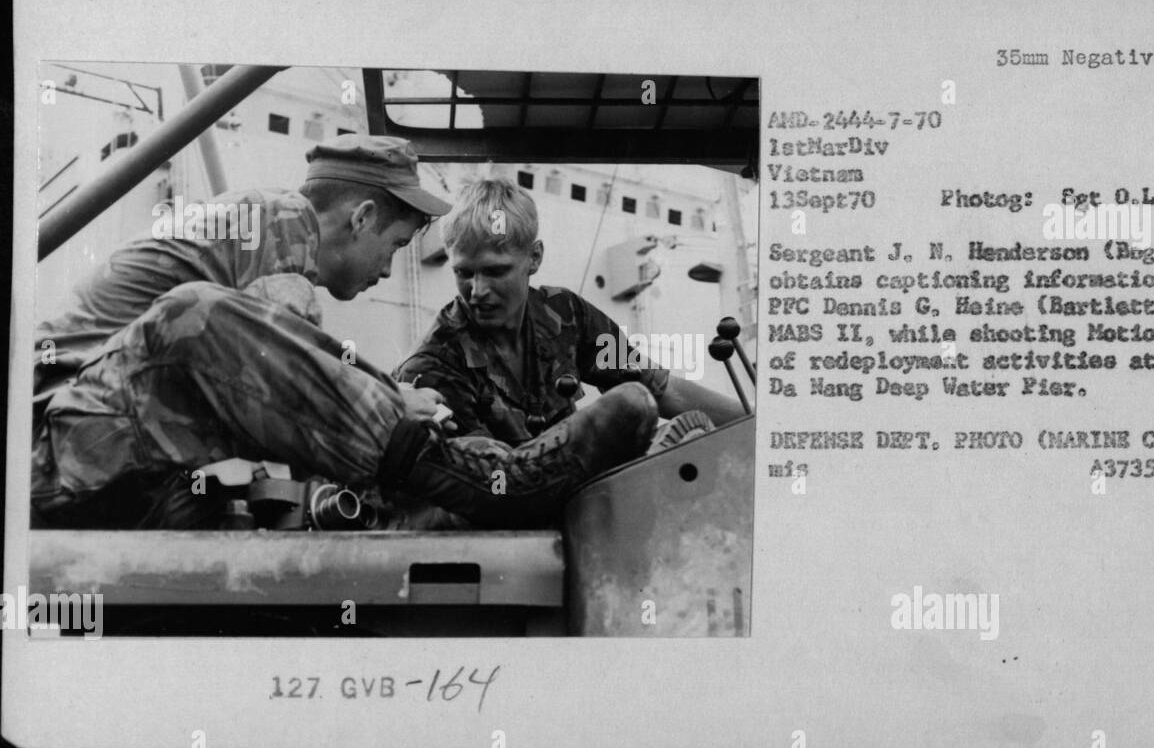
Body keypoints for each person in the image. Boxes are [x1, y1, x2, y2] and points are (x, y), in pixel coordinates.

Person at [31, 136, 655, 530]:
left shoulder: (262, 235)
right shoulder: (277, 225)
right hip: (59, 430)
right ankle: (484, 483)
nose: (390, 267)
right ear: (360, 218)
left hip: (110, 449)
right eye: (395, 243)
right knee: (195, 313)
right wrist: (396, 399)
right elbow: (287, 362)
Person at [393, 176, 745, 458]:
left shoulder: (565, 314)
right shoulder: (433, 366)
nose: (477, 290)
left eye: (495, 271)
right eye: (464, 273)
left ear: (534, 258)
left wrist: (757, 427)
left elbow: (662, 390)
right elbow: (489, 484)